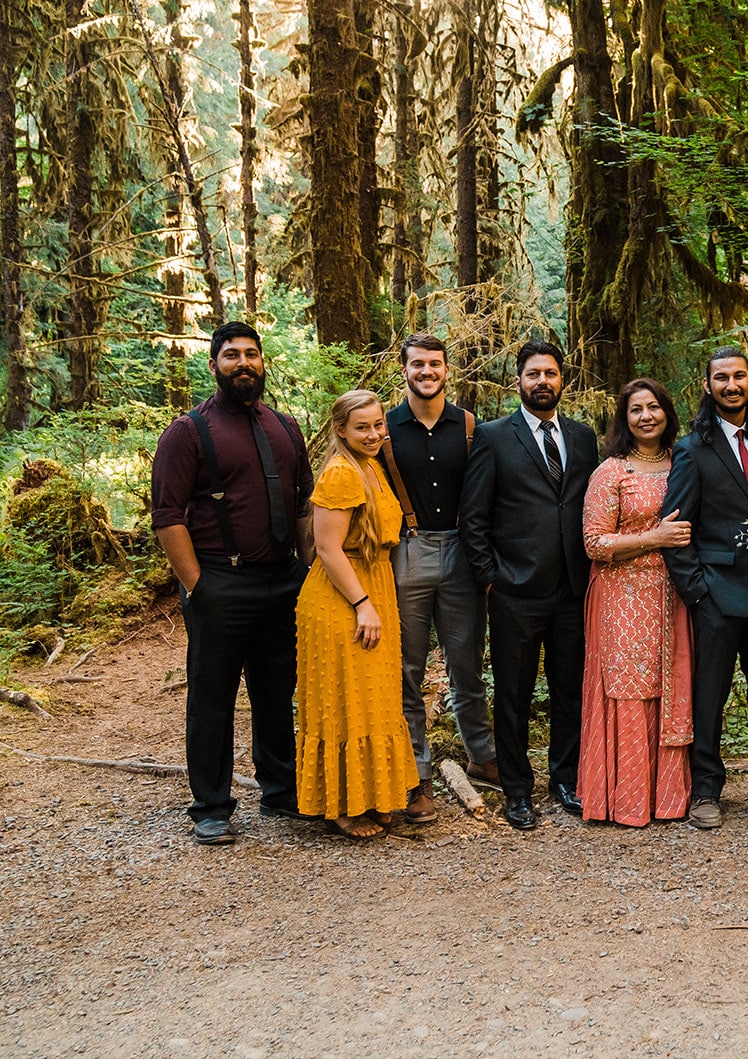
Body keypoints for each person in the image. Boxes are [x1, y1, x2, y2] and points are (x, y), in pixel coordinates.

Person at [151, 321, 313, 846]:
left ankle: (280, 791)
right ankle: (212, 806)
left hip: (281, 581)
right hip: (220, 581)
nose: (243, 363)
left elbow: (305, 505)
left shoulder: (286, 427)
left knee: (275, 691)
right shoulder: (188, 431)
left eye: (251, 354)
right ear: (214, 364)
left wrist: (308, 572)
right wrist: (197, 585)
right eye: (231, 356)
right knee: (213, 697)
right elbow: (167, 516)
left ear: (262, 362)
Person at [459, 341, 598, 831]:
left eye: (551, 373)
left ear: (563, 380)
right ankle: (517, 790)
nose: (543, 381)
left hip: (571, 588)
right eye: (534, 373)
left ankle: (565, 780)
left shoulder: (583, 438)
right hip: (514, 590)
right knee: (513, 695)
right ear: (518, 381)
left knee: (568, 691)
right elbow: (472, 518)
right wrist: (490, 580)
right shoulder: (495, 437)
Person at [660, 347, 748, 831]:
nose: (731, 385)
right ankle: (706, 789)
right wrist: (696, 591)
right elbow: (675, 525)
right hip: (714, 592)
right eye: (722, 378)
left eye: (739, 377)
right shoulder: (693, 449)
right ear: (708, 385)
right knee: (709, 694)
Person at [379, 333, 495, 826]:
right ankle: (416, 773)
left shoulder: (469, 426)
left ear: (448, 370)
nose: (426, 372)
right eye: (417, 365)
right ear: (402, 369)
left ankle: (482, 755)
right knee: (406, 668)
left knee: (466, 664)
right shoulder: (383, 428)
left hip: (461, 552)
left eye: (435, 364)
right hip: (406, 550)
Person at [294, 390, 418, 839]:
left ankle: (372, 796)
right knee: (347, 702)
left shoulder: (370, 466)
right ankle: (342, 806)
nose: (373, 434)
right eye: (361, 427)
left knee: (374, 699)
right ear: (341, 430)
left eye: (378, 424)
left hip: (373, 589)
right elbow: (326, 548)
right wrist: (362, 604)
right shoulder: (342, 473)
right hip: (343, 598)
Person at [577, 378, 695, 826]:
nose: (646, 416)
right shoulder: (612, 472)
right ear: (624, 420)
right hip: (621, 596)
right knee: (628, 689)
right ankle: (624, 799)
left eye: (653, 407)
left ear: (667, 411)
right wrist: (655, 538)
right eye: (635, 410)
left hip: (673, 593)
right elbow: (593, 542)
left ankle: (667, 798)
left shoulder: (683, 461)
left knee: (669, 685)